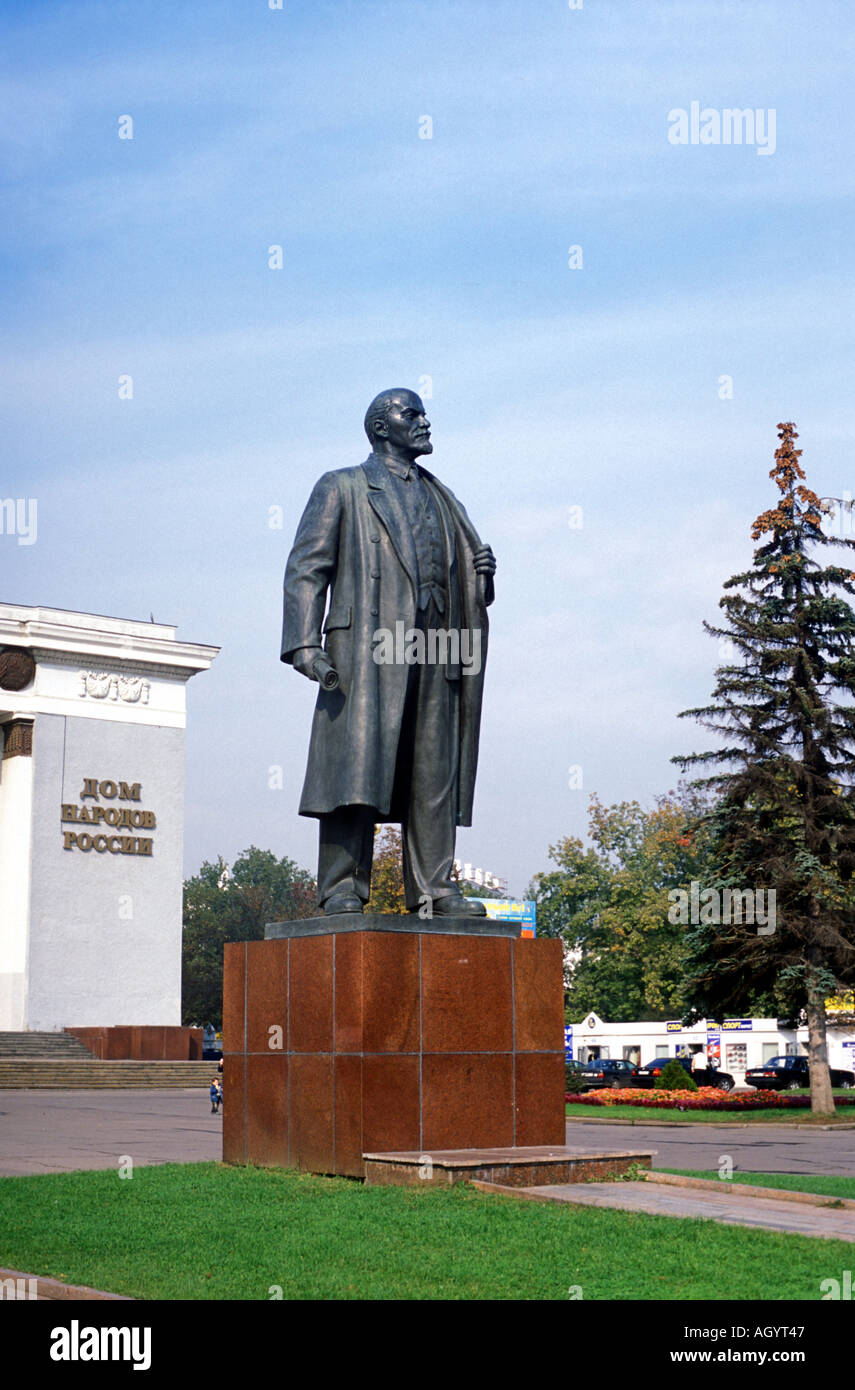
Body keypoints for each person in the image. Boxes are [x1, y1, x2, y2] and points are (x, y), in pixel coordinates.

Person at [281, 388, 497, 916]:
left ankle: (435, 888)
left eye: (423, 413)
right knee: (354, 769)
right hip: (366, 651)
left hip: (437, 646)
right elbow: (307, 567)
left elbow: (460, 576)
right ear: (381, 427)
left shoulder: (446, 500)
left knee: (433, 770)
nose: (425, 422)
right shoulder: (343, 487)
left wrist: (481, 578)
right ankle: (342, 889)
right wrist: (305, 644)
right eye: (411, 414)